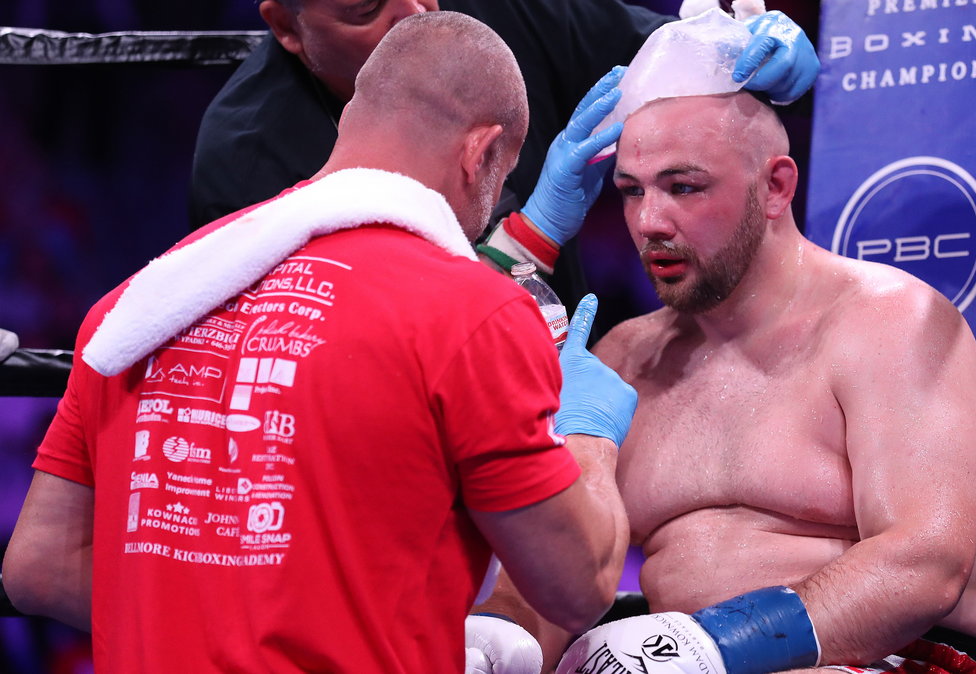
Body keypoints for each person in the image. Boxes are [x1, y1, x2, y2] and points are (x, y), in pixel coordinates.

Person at [1, 13, 637, 672]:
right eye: (503, 180)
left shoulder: (138, 306)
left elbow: (39, 565)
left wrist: (239, 617)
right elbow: (578, 588)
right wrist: (587, 433)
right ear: (480, 155)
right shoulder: (475, 315)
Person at [554, 91, 976, 673]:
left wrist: (715, 645)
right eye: (631, 191)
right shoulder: (625, 359)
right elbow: (554, 577)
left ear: (775, 187)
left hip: (904, 653)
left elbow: (924, 565)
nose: (649, 221)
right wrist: (498, 640)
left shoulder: (891, 320)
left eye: (684, 187)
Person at [189, 0, 819, 316]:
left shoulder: (504, 8)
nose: (414, 17)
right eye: (364, 10)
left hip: (564, 374)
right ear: (287, 27)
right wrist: (535, 232)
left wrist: (740, 55)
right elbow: (349, 361)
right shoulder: (249, 157)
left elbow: (669, 53)